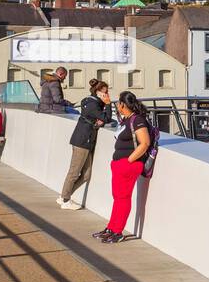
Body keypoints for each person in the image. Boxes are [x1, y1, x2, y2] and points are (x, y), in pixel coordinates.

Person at [93, 91, 151, 244]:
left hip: (129, 165)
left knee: (123, 198)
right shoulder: (126, 119)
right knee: (118, 198)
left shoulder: (137, 120)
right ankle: (111, 228)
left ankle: (118, 231)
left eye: (118, 103)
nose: (117, 105)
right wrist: (107, 103)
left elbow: (145, 143)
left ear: (124, 104)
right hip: (119, 165)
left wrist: (129, 160)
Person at [57, 79, 111, 209]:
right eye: (105, 92)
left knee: (86, 175)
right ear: (98, 92)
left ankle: (64, 195)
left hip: (84, 139)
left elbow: (100, 118)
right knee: (74, 172)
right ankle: (65, 200)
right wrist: (108, 104)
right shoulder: (93, 105)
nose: (107, 94)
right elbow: (107, 118)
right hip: (82, 141)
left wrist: (100, 118)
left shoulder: (90, 101)